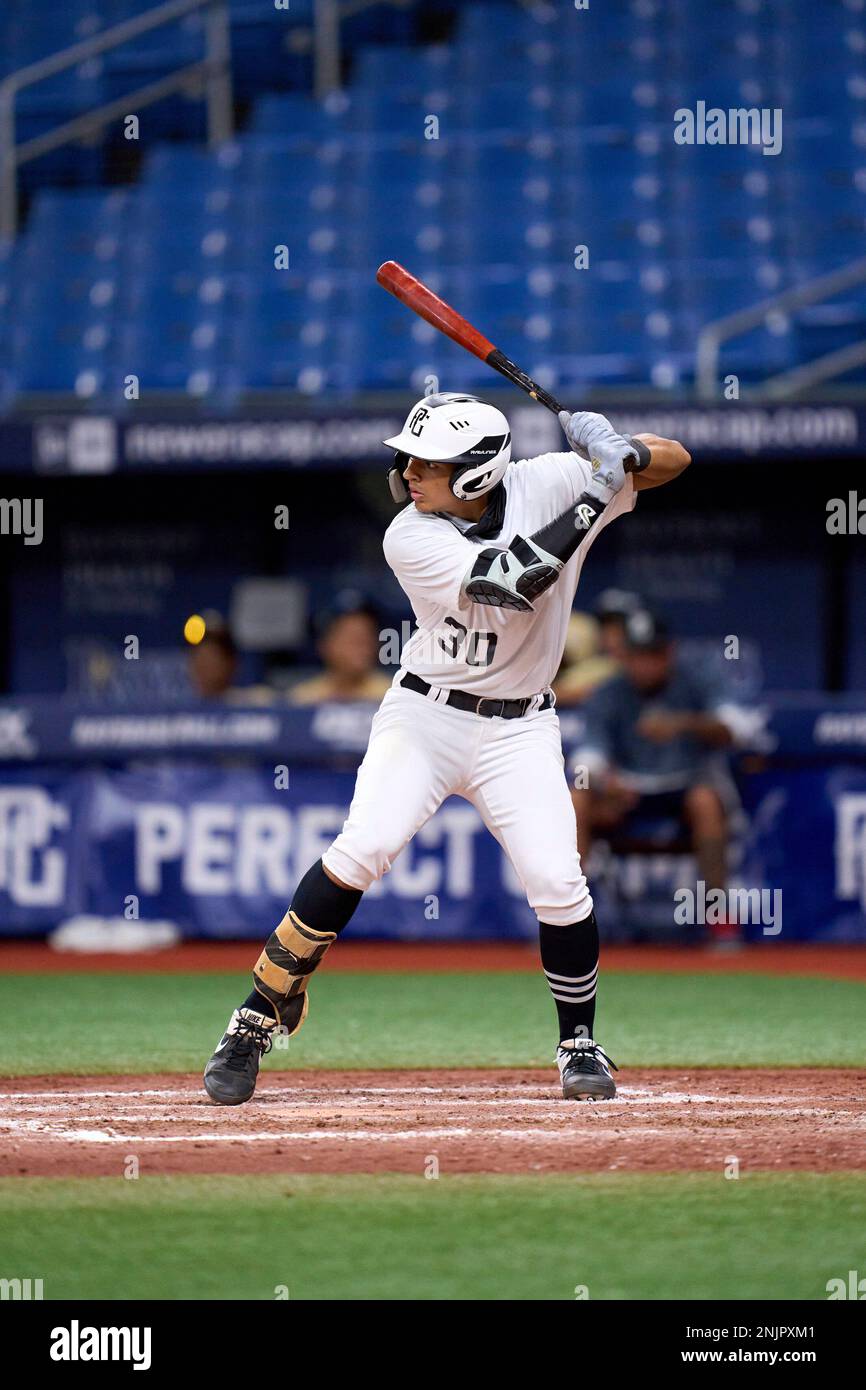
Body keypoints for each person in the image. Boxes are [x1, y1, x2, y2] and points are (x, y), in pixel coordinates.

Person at [203, 392, 690, 1106]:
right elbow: (516, 583)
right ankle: (254, 1016)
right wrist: (598, 487)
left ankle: (579, 1043)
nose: (406, 472)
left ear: (476, 475)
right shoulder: (409, 534)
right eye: (409, 457)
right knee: (362, 847)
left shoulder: (550, 479)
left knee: (559, 881)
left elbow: (679, 461)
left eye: (427, 462)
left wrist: (626, 451)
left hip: (521, 726)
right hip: (426, 717)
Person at [571, 608, 741, 945]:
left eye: (654, 654)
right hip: (628, 792)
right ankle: (569, 918)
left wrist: (682, 723)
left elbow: (735, 729)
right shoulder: (609, 692)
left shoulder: (696, 679)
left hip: (685, 787)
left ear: (669, 652)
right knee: (579, 793)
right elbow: (587, 757)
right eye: (636, 655)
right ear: (624, 656)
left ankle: (718, 916)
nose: (645, 664)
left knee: (706, 801)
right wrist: (604, 781)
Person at [289, 604, 392, 704]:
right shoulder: (303, 699)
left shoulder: (394, 695)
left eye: (367, 638)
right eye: (352, 639)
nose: (362, 647)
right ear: (325, 644)